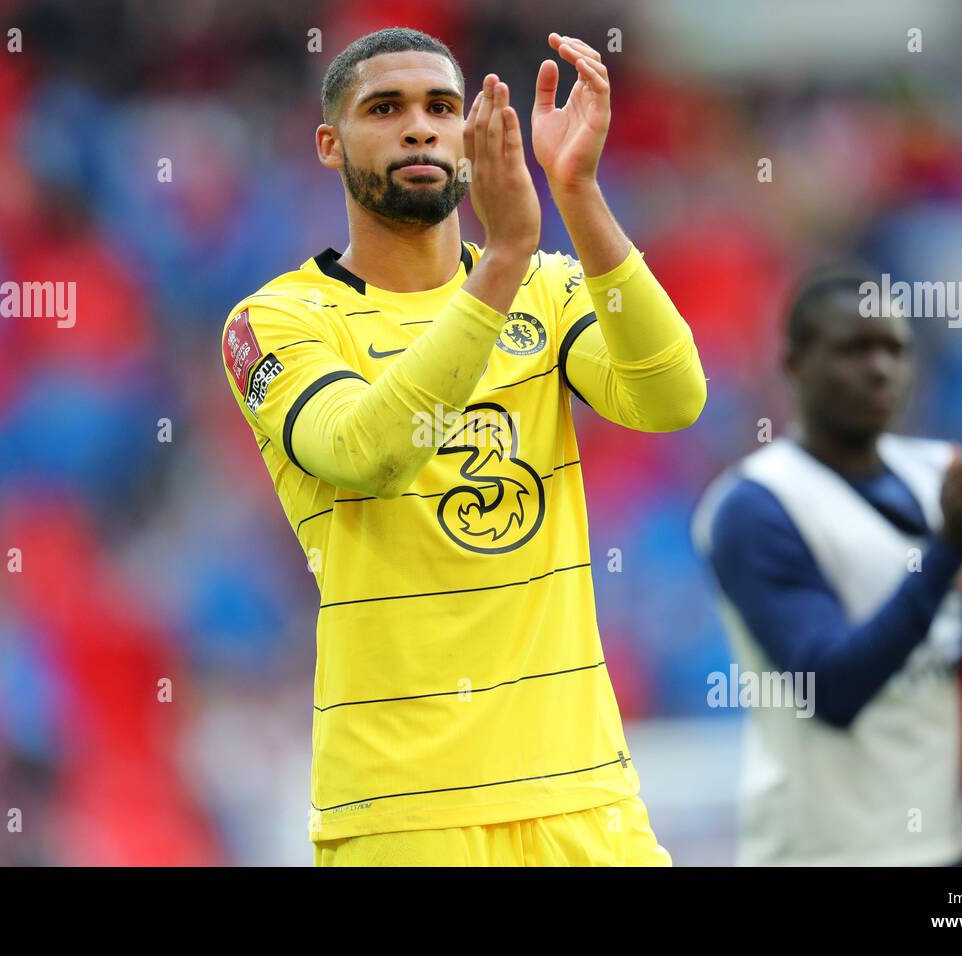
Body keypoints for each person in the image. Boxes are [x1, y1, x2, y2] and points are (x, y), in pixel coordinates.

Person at [219, 27, 707, 866]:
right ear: (330, 147)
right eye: (386, 109)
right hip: (405, 812)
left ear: (471, 137)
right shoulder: (277, 321)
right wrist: (506, 260)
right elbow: (366, 450)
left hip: (585, 794)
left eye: (442, 108)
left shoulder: (549, 292)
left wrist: (578, 194)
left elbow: (672, 398)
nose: (420, 128)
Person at [692, 270, 962, 866]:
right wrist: (945, 553)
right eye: (854, 349)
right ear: (794, 364)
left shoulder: (943, 474)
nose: (881, 368)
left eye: (895, 349)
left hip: (957, 845)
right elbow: (833, 689)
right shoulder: (755, 507)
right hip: (825, 853)